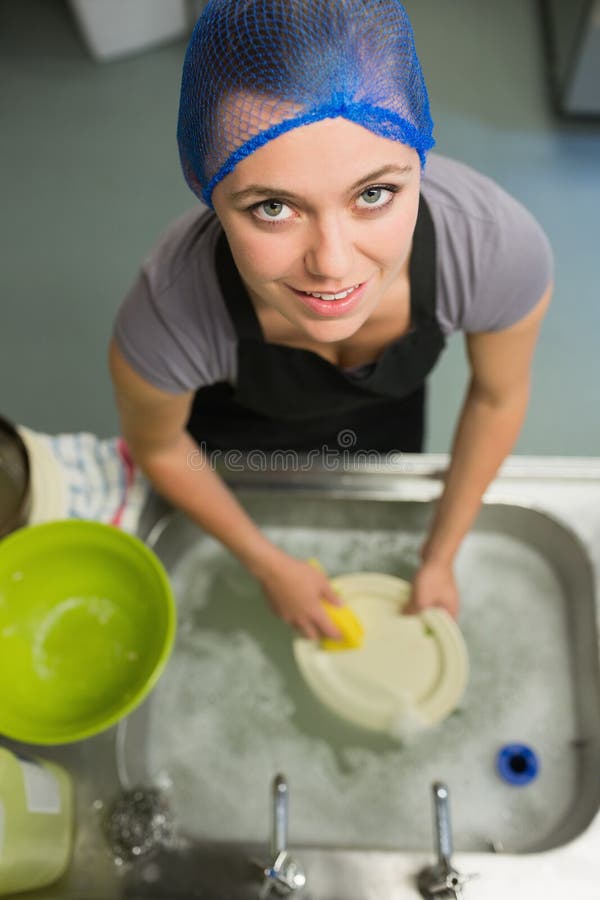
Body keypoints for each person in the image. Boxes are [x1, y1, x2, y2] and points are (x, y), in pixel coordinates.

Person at [109, 0, 553, 639]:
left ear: (418, 161)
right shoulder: (169, 312)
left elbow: (496, 397)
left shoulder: (493, 248)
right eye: (272, 208)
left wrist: (439, 556)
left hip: (381, 422)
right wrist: (266, 562)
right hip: (237, 443)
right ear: (210, 190)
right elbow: (159, 446)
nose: (333, 266)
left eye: (375, 194)